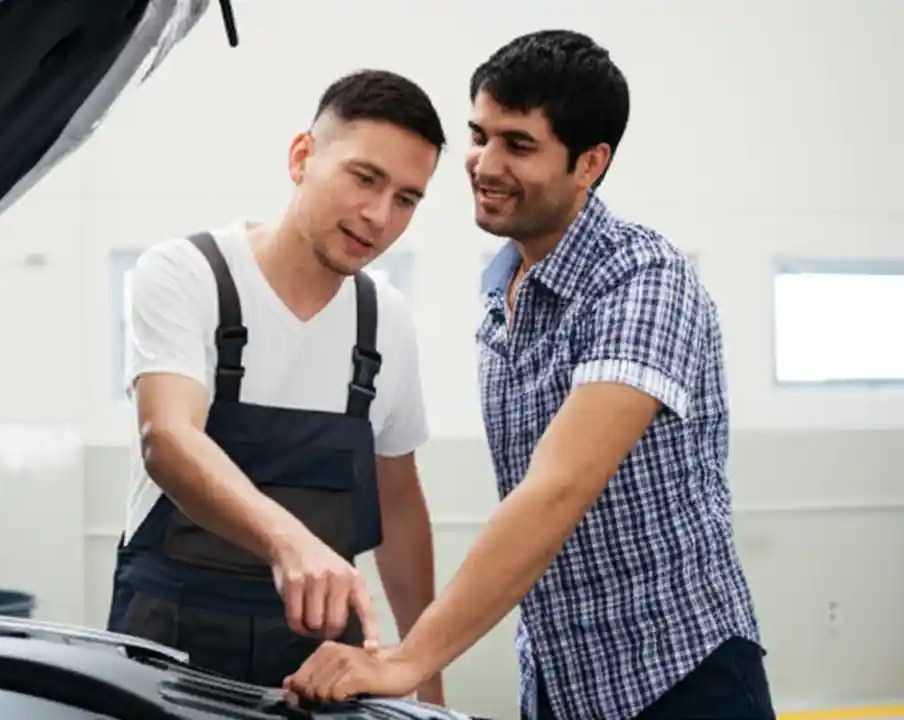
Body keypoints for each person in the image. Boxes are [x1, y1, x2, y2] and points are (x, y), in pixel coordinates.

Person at [283, 30, 775, 720]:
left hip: (679, 678)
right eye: (479, 135)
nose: (484, 163)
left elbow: (557, 488)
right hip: (558, 682)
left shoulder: (645, 281)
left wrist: (410, 658)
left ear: (589, 163)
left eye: (518, 144)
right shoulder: (501, 294)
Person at [106, 69, 446, 703]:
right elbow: (168, 437)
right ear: (301, 157)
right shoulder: (188, 275)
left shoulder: (386, 323)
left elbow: (399, 505)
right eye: (364, 178)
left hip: (320, 659)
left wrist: (423, 673)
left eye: (406, 199)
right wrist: (289, 542)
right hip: (170, 639)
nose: (378, 215)